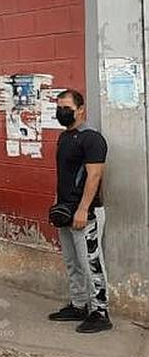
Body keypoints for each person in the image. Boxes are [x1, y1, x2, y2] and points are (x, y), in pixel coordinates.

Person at [46, 89, 112, 333]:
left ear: (81, 109)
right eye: (59, 107)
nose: (61, 112)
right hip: (64, 211)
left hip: (87, 213)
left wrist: (83, 210)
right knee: (72, 262)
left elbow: (94, 176)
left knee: (90, 263)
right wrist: (57, 203)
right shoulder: (65, 138)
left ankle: (100, 312)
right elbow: (64, 175)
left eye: (66, 107)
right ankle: (79, 304)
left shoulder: (92, 139)